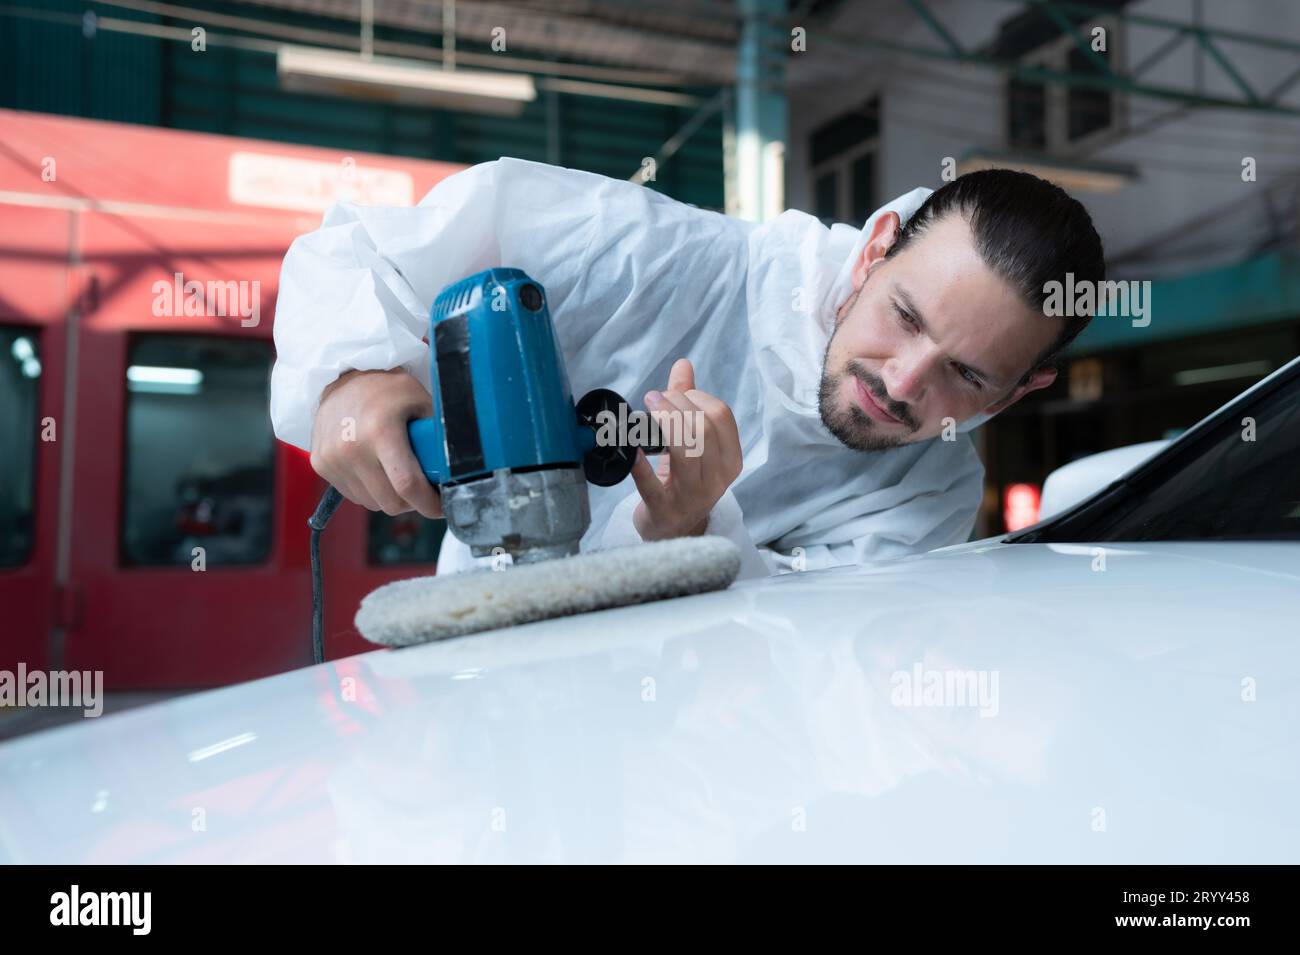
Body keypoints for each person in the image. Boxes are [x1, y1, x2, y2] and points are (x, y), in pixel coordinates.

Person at [271, 159, 1104, 579]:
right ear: (873, 250)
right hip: (482, 700)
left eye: (968, 375)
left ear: (1024, 388)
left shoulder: (931, 491)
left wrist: (693, 537)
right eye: (905, 316)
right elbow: (360, 253)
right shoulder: (636, 251)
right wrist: (353, 375)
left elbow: (816, 682)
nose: (904, 383)